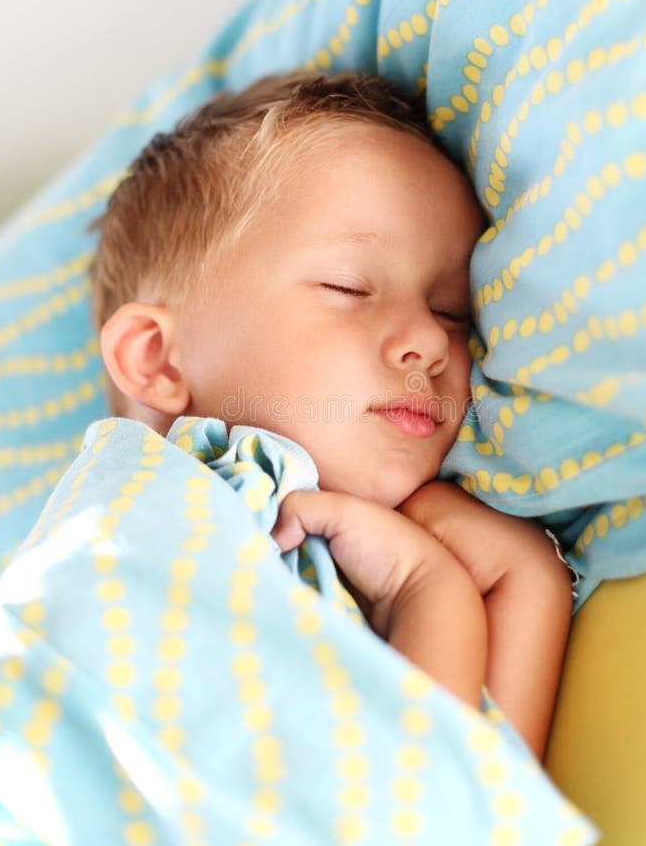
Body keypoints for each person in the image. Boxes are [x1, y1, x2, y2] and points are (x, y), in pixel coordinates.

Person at [91, 71, 572, 760]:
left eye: (452, 312)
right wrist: (430, 592)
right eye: (348, 287)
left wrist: (524, 578)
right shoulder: (173, 514)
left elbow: (486, 800)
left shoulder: (377, 557)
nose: (432, 342)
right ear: (159, 361)